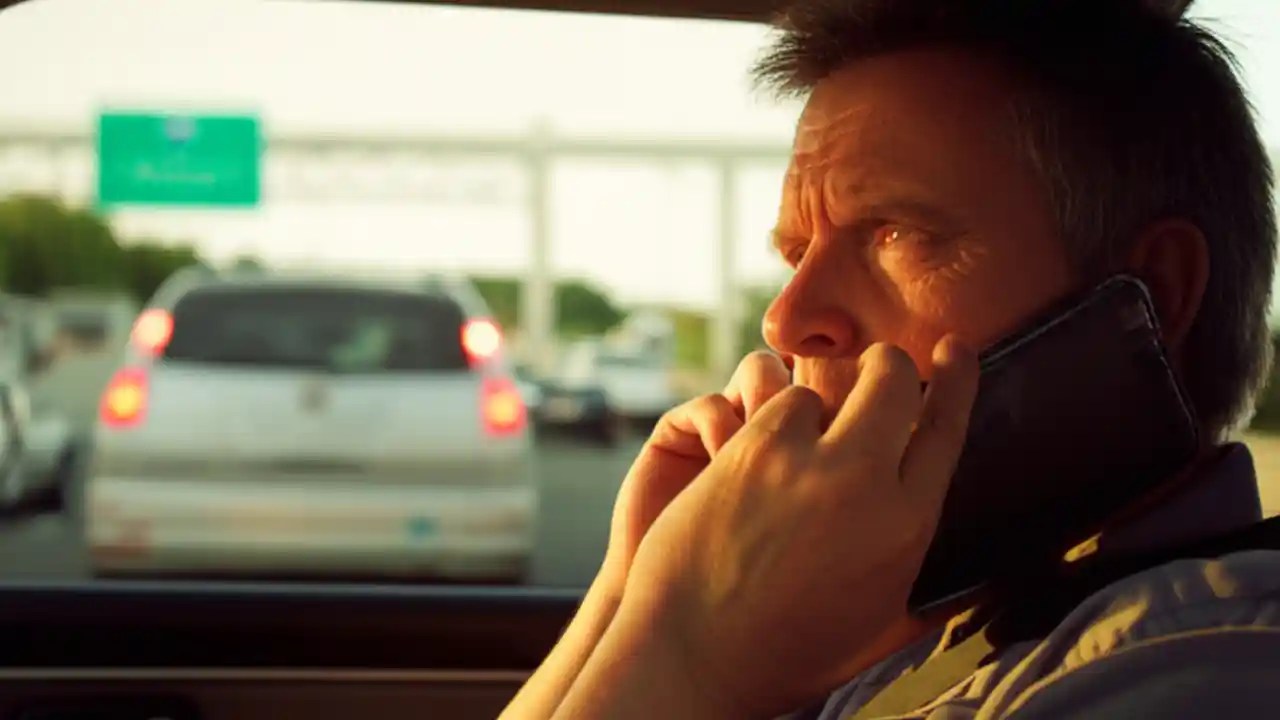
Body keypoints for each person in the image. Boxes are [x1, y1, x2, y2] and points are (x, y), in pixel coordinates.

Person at [500, 0, 1280, 717]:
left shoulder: (1196, 666)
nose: (786, 319)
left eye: (895, 235)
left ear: (1156, 292)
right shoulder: (944, 620)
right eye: (798, 253)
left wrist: (686, 661)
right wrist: (631, 596)